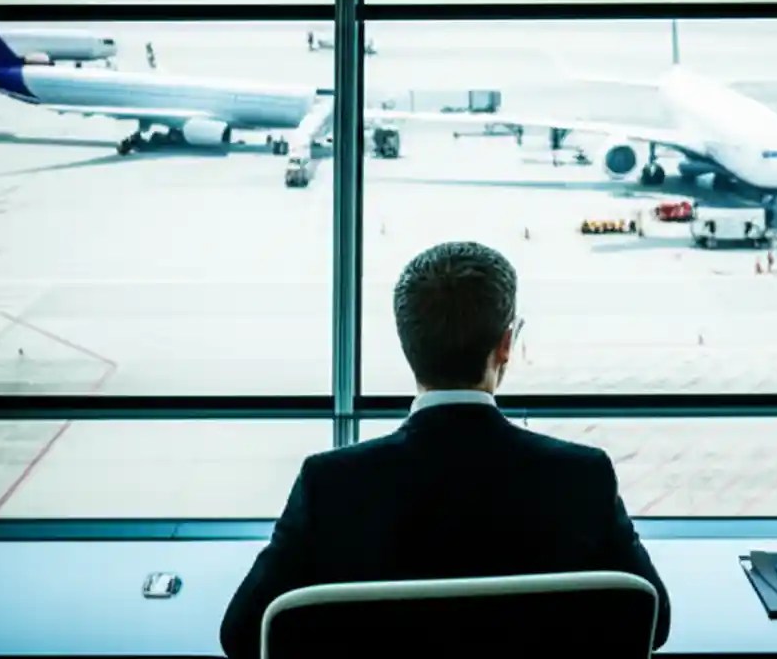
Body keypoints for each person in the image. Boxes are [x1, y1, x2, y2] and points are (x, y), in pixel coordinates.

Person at [220, 241, 670, 658]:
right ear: (506, 346)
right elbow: (655, 620)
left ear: (406, 344)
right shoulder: (582, 476)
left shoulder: (331, 484)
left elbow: (241, 634)